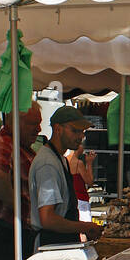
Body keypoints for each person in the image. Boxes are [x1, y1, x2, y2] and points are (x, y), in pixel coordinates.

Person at [29, 105, 105, 248]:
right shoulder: (48, 164)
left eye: (82, 132)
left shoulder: (60, 159)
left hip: (62, 243)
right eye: (75, 131)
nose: (81, 137)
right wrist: (84, 227)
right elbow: (47, 219)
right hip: (52, 245)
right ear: (58, 129)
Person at [0, 103, 42, 260]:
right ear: (17, 122)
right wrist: (19, 209)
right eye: (33, 124)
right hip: (8, 230)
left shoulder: (19, 145)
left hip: (17, 228)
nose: (38, 129)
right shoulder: (3, 143)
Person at [66, 139, 95, 219]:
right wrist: (89, 163)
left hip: (70, 199)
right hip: (81, 199)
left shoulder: (65, 160)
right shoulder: (78, 163)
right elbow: (90, 182)